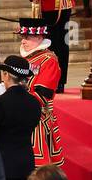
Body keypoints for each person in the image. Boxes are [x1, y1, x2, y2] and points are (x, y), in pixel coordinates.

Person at [14, 18, 63, 165]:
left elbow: (42, 96)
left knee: (39, 171)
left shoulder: (49, 61)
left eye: (27, 37)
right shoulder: (27, 58)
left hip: (37, 120)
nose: (23, 41)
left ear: (40, 37)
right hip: (21, 116)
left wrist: (12, 95)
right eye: (23, 37)